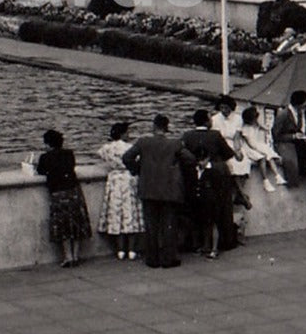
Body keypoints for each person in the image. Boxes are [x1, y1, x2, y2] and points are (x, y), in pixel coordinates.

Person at [121, 114, 193, 269]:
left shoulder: (143, 142)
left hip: (148, 188)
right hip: (170, 190)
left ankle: (152, 258)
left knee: (151, 226)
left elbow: (127, 157)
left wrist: (138, 170)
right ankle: (168, 258)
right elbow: (190, 160)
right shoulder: (175, 144)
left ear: (154, 127)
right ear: (167, 127)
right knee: (169, 225)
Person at [181, 110, 239, 258]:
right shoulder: (215, 135)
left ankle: (198, 244)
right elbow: (228, 153)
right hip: (215, 178)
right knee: (219, 213)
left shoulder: (187, 136)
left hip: (194, 178)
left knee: (197, 213)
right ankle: (220, 243)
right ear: (207, 121)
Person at [33, 129, 92, 267]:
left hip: (58, 193)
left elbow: (40, 170)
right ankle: (75, 256)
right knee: (76, 224)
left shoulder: (45, 157)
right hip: (74, 191)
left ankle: (68, 257)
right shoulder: (69, 154)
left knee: (63, 226)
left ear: (48, 144)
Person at [95, 121, 143, 260]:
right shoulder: (130, 147)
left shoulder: (106, 148)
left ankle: (120, 250)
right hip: (129, 179)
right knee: (131, 213)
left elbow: (100, 154)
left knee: (116, 214)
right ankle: (132, 250)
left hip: (114, 180)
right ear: (123, 134)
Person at [209, 96, 251, 210]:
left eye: (226, 108)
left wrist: (237, 151)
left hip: (233, 143)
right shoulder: (215, 119)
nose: (224, 110)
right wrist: (231, 152)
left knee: (244, 161)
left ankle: (239, 194)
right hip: (222, 145)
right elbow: (218, 139)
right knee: (231, 163)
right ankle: (242, 195)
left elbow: (237, 137)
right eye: (221, 108)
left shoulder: (238, 119)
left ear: (231, 107)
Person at [236, 106, 287, 192]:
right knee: (262, 157)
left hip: (256, 145)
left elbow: (266, 128)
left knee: (269, 156)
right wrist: (259, 150)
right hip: (249, 148)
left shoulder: (255, 125)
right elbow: (249, 143)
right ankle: (265, 181)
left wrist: (259, 123)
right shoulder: (245, 129)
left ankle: (277, 176)